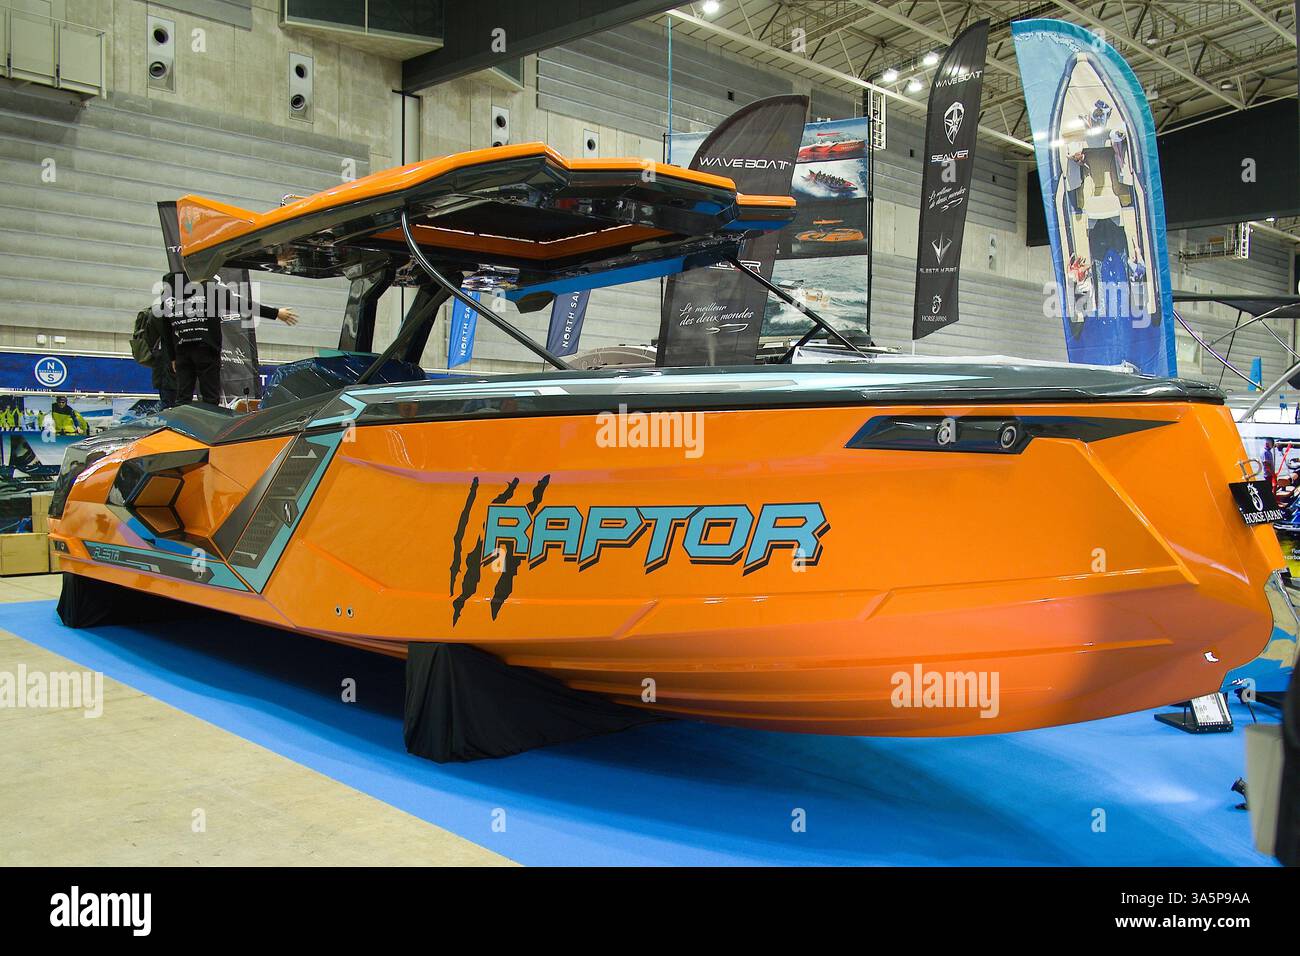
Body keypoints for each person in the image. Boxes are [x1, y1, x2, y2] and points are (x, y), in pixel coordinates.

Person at [160, 272, 298, 406]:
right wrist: (275, 313)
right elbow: (241, 304)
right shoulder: (208, 290)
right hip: (206, 349)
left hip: (183, 352)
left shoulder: (166, 299)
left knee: (183, 398)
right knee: (210, 398)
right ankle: (210, 427)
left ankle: (179, 427)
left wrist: (172, 357)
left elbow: (165, 331)